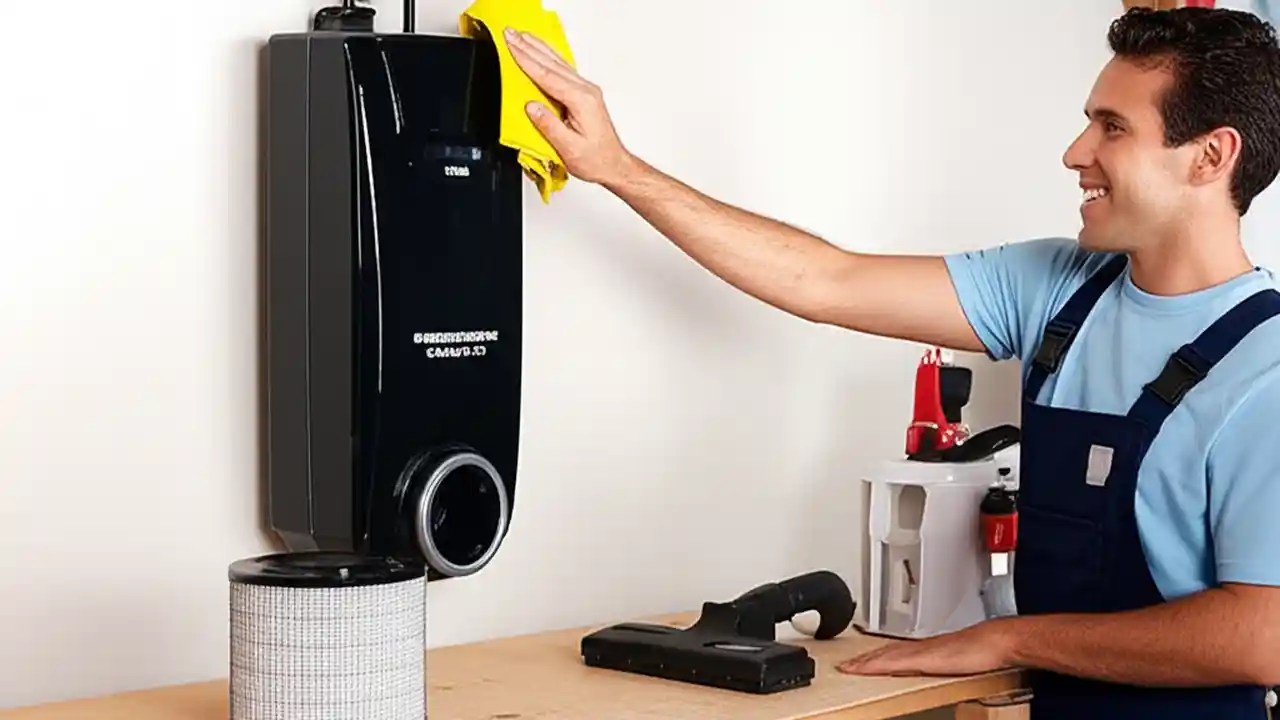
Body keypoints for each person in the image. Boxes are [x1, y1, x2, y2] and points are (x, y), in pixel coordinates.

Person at [505, 6, 1280, 718]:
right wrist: (617, 168)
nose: (1076, 152)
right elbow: (822, 279)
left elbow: (1261, 634)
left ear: (1210, 155)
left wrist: (1012, 639)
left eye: (1113, 128)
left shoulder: (1264, 369)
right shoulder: (1058, 291)